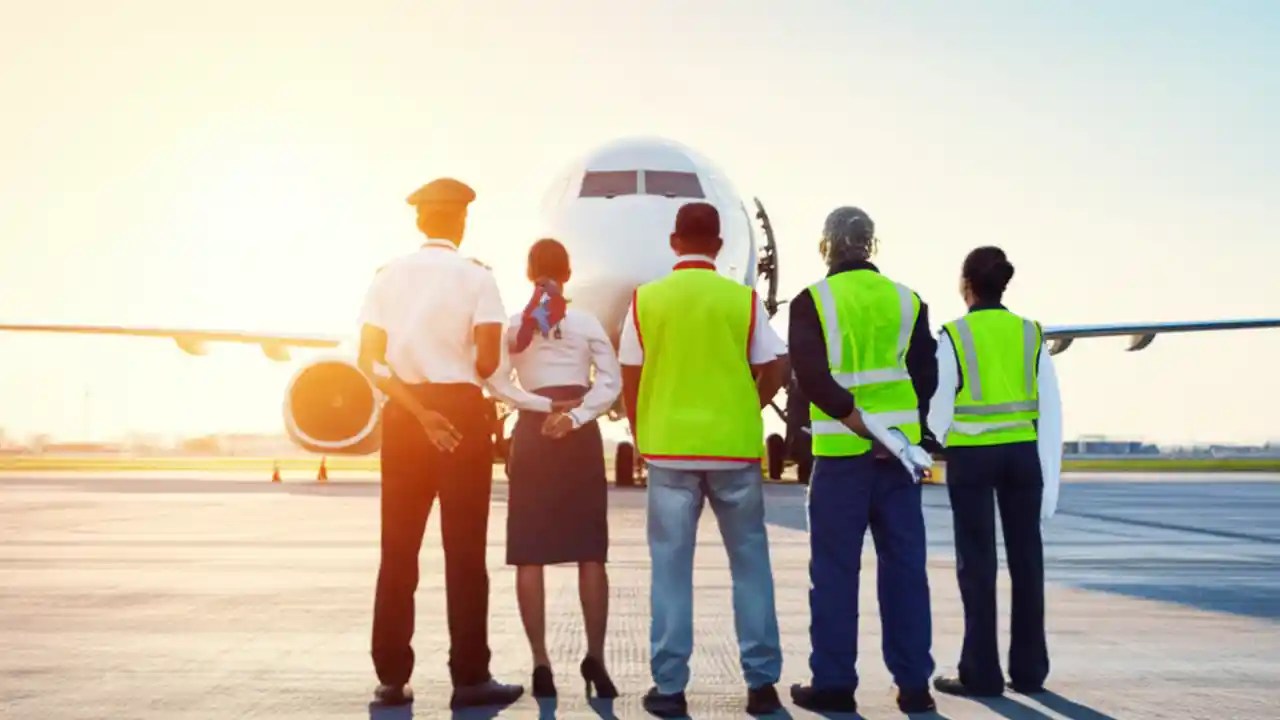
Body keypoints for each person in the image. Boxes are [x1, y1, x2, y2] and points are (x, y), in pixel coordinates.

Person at [358, 177, 524, 711]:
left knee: (398, 552)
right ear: (461, 222)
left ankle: (390, 677)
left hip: (406, 422)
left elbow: (372, 363)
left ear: (419, 221)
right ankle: (470, 676)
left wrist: (418, 413)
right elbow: (484, 361)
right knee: (465, 553)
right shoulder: (478, 278)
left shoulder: (387, 278)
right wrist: (440, 409)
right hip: (460, 420)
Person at [619, 202, 789, 718]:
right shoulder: (743, 300)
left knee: (670, 571)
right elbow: (776, 363)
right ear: (717, 246)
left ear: (674, 242)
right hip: (733, 450)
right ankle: (761, 685)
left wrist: (641, 426)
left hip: (669, 449)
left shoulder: (645, 300)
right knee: (750, 568)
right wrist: (748, 402)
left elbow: (631, 373)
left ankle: (669, 687)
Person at [787, 206, 939, 715]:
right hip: (897, 459)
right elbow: (925, 376)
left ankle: (833, 684)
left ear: (825, 246)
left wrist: (854, 418)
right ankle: (914, 685)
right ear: (872, 246)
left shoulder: (812, 301)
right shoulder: (908, 300)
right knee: (905, 571)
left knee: (833, 573)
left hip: (839, 456)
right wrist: (892, 432)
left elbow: (809, 374)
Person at [487, 238, 622, 700]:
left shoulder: (514, 327)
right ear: (568, 272)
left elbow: (495, 379)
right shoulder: (586, 322)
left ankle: (541, 662)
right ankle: (597, 660)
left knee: (529, 553)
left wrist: (543, 405)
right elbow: (611, 380)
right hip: (578, 435)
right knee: (590, 552)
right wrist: (575, 414)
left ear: (530, 273)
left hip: (532, 433)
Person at [927, 246, 1062, 698]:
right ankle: (1030, 671)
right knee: (1027, 562)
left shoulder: (954, 335)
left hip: (972, 458)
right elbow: (1051, 407)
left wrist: (941, 437)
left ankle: (980, 673)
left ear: (965, 284)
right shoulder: (1030, 333)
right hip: (1022, 456)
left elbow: (939, 409)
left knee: (977, 564)